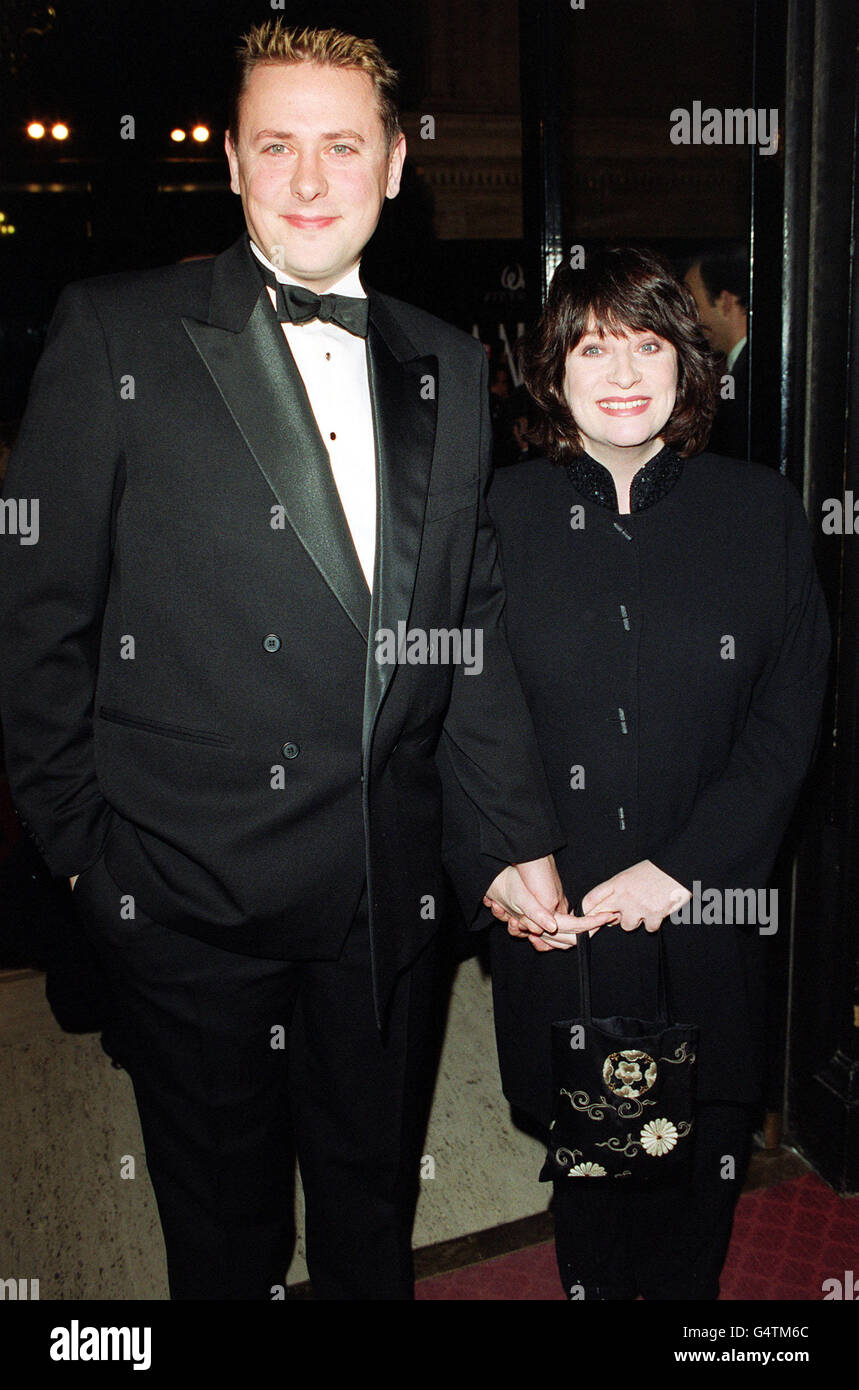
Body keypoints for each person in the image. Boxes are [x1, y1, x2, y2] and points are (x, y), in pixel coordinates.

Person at [0, 22, 584, 1301]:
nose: (309, 181)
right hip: (184, 890)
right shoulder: (116, 334)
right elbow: (39, 623)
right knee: (227, 1231)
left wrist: (513, 832)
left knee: (372, 1209)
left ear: (392, 164)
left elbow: (461, 625)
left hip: (388, 891)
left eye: (340, 146)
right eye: (277, 147)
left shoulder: (445, 362)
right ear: (231, 162)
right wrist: (89, 857)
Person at [443, 245, 830, 1299]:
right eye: (591, 345)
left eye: (648, 342)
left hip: (703, 910)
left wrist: (684, 868)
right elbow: (452, 718)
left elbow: (788, 719)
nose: (621, 370)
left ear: (686, 364)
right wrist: (490, 863)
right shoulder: (492, 519)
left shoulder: (759, 512)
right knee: (601, 1179)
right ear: (549, 371)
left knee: (699, 1167)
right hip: (563, 919)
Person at [684, 243, 749, 458]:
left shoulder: (749, 378)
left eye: (693, 304)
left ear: (726, 302)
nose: (688, 318)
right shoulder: (739, 369)